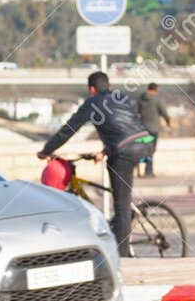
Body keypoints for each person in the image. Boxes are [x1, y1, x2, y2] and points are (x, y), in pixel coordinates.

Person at [39, 71, 153, 253]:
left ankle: (122, 255)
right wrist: (106, 150)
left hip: (124, 151)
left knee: (121, 204)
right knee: (122, 194)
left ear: (92, 89)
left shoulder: (92, 103)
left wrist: (46, 150)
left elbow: (68, 130)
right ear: (107, 85)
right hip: (145, 143)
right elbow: (124, 127)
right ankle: (124, 220)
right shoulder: (120, 97)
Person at [136, 82, 170, 177]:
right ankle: (148, 171)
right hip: (153, 129)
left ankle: (140, 171)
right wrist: (168, 123)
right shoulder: (157, 99)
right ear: (155, 90)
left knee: (143, 149)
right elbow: (164, 112)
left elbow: (136, 113)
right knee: (151, 150)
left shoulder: (140, 99)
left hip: (142, 129)